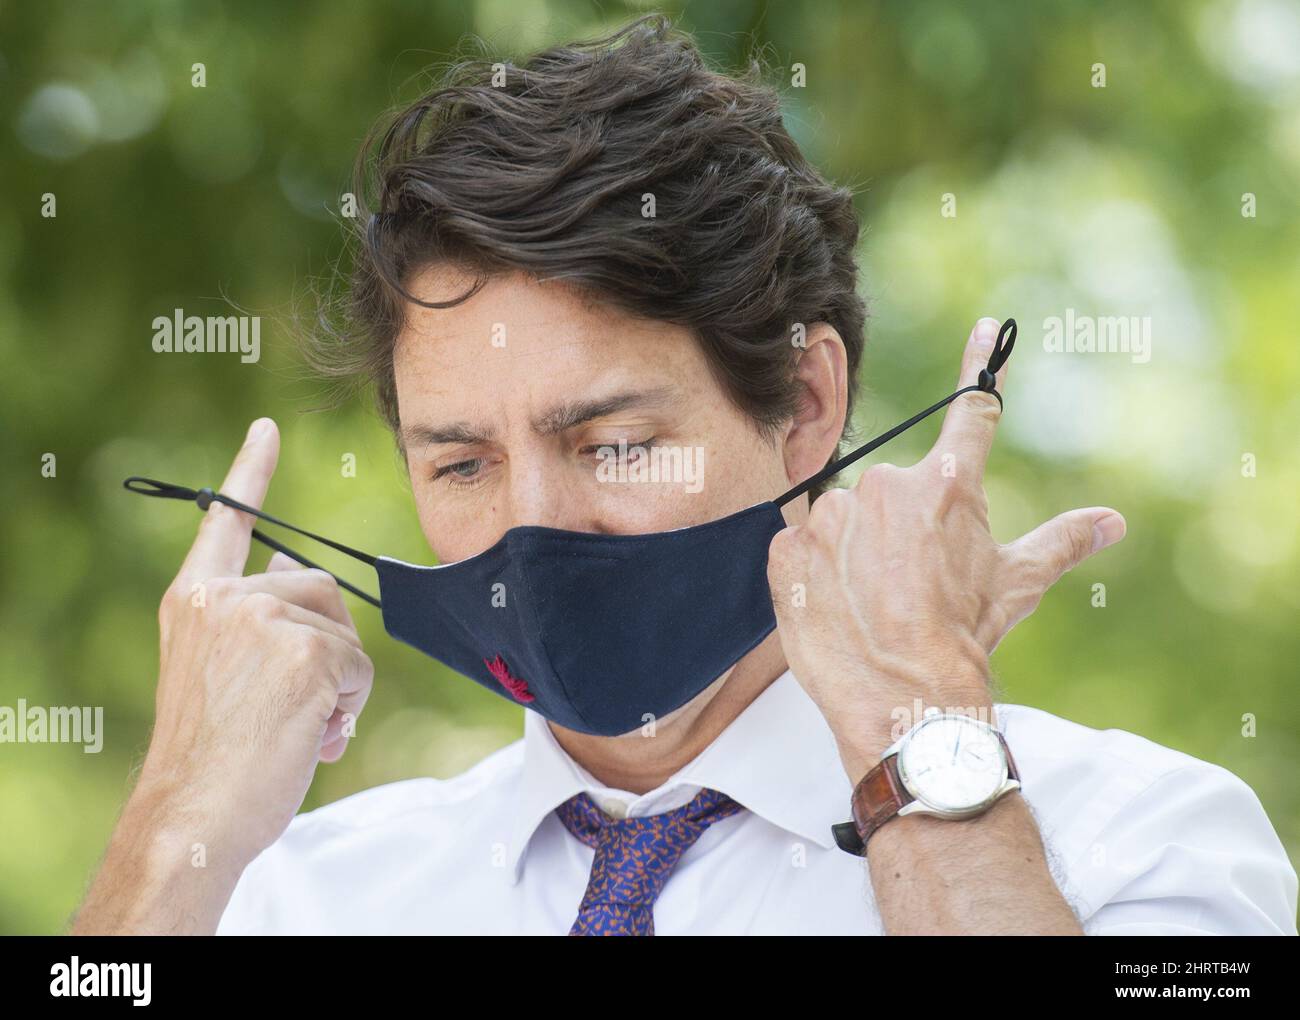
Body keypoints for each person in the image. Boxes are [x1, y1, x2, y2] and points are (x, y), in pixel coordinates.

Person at [72, 16, 1296, 935]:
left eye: (612, 443)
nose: (533, 528)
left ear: (806, 405)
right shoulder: (285, 898)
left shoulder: (1144, 839)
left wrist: (912, 728)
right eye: (461, 461)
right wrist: (172, 829)